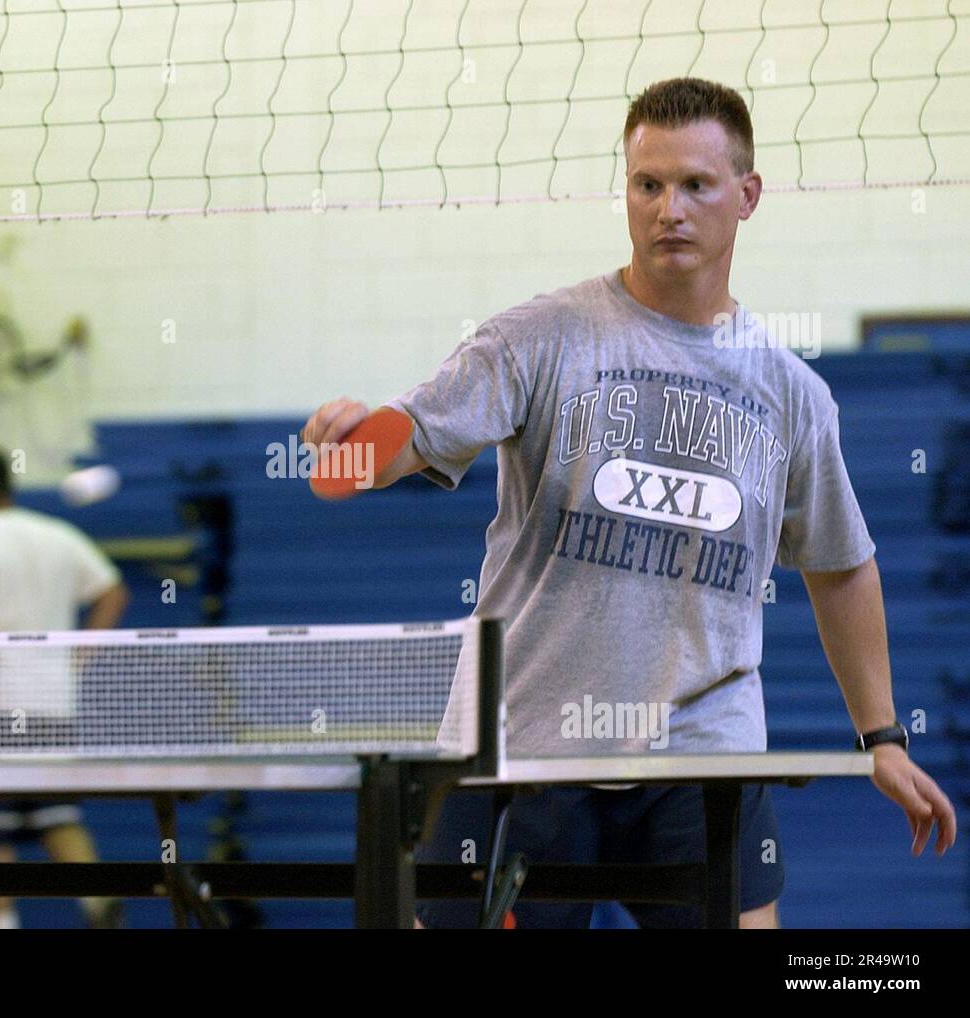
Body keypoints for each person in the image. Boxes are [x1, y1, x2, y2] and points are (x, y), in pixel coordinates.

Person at [302, 77, 957, 929]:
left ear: (747, 196)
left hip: (700, 758)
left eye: (696, 185)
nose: (668, 210)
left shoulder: (793, 394)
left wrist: (882, 737)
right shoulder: (540, 338)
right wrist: (343, 445)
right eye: (647, 185)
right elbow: (399, 442)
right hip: (524, 745)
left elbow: (841, 567)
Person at [0, 448, 130, 929]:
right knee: (58, 816)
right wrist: (78, 658)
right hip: (52, 702)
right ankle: (97, 904)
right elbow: (113, 592)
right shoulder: (59, 534)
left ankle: (0, 925)